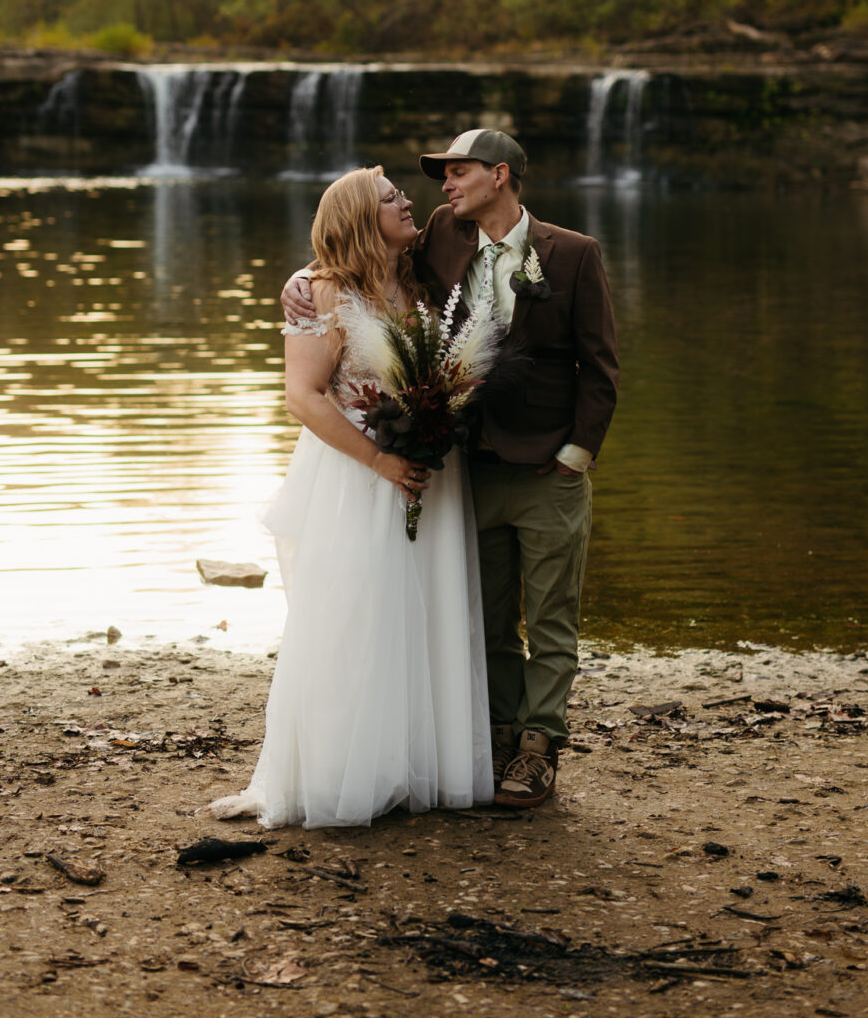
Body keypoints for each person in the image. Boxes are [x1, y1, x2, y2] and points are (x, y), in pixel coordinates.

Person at [284, 129, 619, 809]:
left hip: (548, 466)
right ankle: (491, 740)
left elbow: (601, 366)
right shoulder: (438, 239)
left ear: (500, 175)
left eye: (457, 171)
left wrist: (575, 455)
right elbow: (348, 295)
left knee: (551, 618)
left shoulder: (573, 254)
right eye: (427, 181)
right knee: (483, 621)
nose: (440, 187)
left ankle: (537, 750)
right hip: (464, 468)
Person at [212, 166, 492, 828]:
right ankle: (339, 775)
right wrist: (380, 460)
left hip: (427, 472)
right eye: (391, 196)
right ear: (361, 219)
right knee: (352, 618)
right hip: (357, 474)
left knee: (425, 615)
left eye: (401, 192)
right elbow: (302, 396)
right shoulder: (320, 292)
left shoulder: (418, 279)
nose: (407, 201)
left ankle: (416, 766)